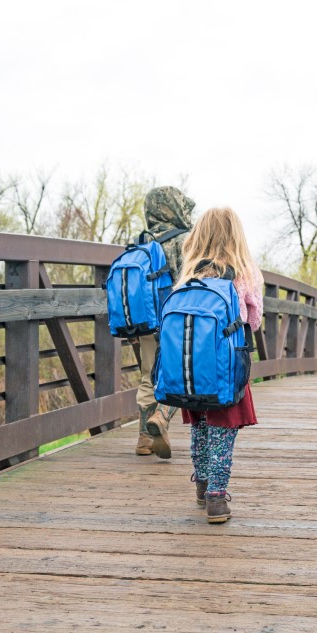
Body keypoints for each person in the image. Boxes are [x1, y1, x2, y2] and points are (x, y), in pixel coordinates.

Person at [175, 207, 263, 523]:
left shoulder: (189, 272)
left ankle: (201, 483)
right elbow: (254, 320)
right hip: (227, 365)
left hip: (191, 366)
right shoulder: (245, 272)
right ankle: (216, 496)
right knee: (222, 427)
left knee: (199, 423)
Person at [135, 186, 195, 458]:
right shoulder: (187, 241)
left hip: (146, 321)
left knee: (148, 376)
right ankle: (161, 416)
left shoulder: (142, 242)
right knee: (180, 373)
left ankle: (144, 439)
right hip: (178, 321)